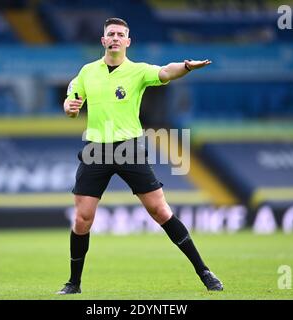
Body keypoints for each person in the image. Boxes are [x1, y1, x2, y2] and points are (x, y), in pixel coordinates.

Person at [58, 17, 223, 295]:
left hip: (128, 147)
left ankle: (204, 271)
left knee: (160, 210)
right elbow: (71, 102)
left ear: (127, 41)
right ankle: (73, 283)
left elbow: (165, 72)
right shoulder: (87, 72)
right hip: (96, 149)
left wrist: (185, 67)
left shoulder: (137, 71)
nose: (115, 38)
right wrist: (70, 107)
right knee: (82, 219)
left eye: (120, 34)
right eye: (110, 34)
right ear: (103, 40)